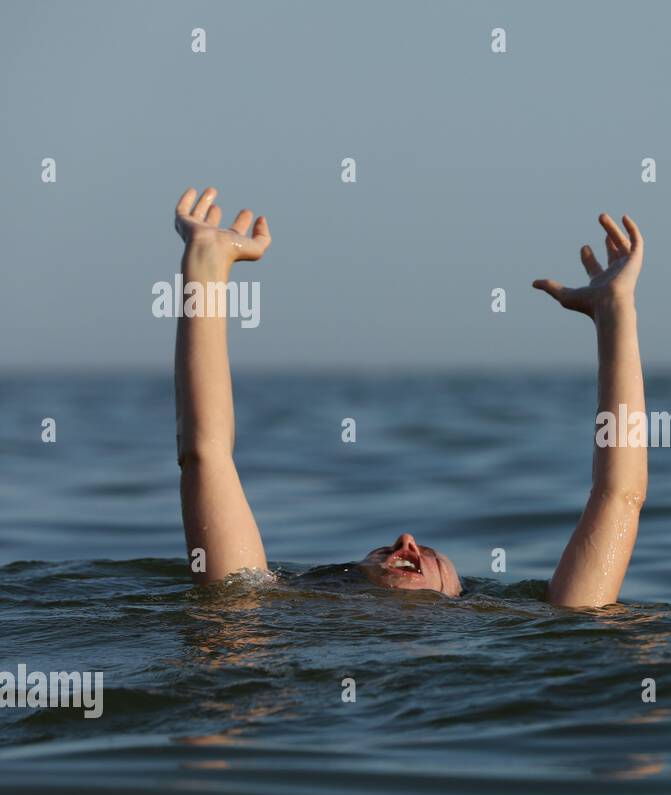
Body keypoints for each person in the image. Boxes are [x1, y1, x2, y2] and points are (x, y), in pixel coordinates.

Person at [171, 186, 647, 607]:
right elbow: (204, 455)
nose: (407, 540)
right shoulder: (267, 606)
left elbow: (619, 496)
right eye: (386, 551)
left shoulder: (508, 626)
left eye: (435, 559)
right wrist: (205, 269)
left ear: (462, 601)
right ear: (345, 580)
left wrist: (615, 314)